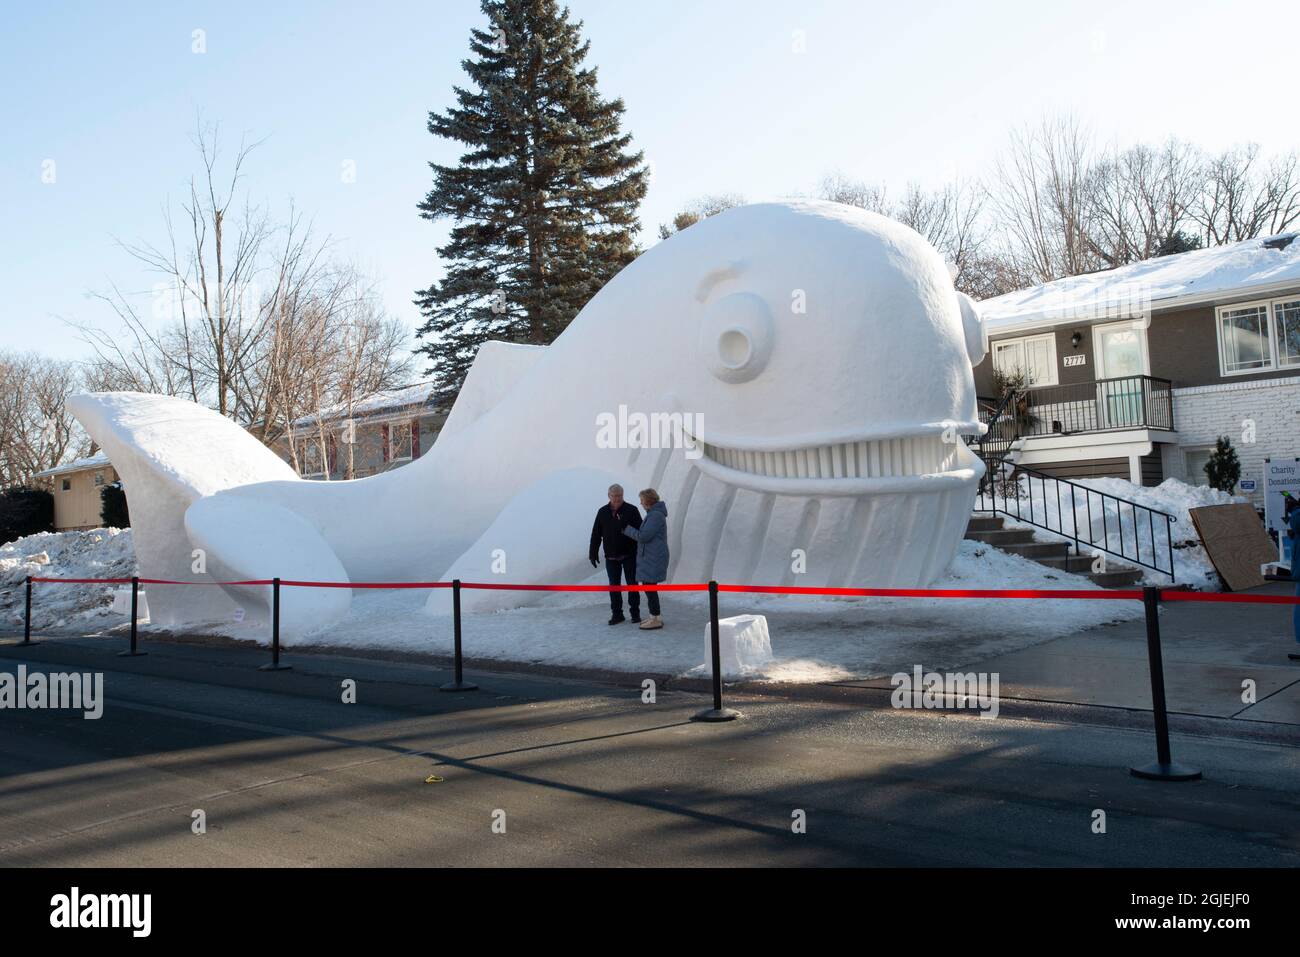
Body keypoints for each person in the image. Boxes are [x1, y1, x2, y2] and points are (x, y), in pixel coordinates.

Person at [589, 484, 643, 625]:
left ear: (623, 495)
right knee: (614, 586)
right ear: (609, 496)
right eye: (614, 495)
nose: (617, 498)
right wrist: (593, 552)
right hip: (611, 556)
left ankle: (635, 613)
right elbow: (596, 534)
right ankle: (617, 614)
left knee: (632, 584)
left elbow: (641, 533)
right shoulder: (602, 512)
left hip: (629, 554)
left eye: (619, 495)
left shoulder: (631, 510)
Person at [622, 488, 669, 630]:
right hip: (651, 557)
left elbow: (643, 536)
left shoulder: (655, 516)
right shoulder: (654, 514)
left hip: (653, 557)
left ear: (648, 501)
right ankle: (655, 616)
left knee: (649, 587)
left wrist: (626, 529)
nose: (641, 503)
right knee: (649, 587)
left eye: (642, 500)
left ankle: (656, 617)